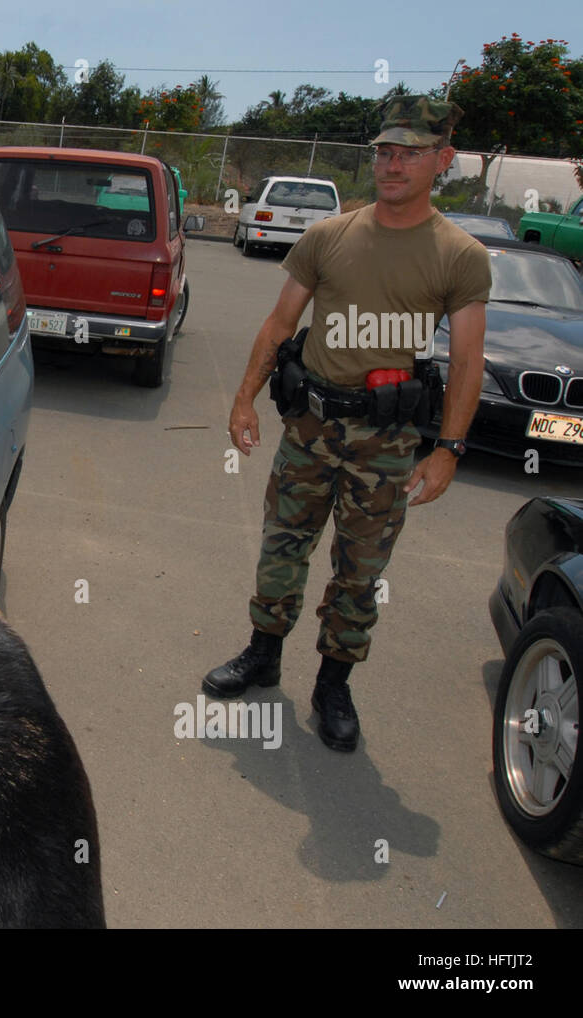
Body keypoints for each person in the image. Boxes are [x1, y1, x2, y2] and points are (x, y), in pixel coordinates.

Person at [204, 96, 492, 751]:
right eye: (385, 151)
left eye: (409, 153)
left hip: (386, 444)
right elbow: (281, 325)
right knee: (282, 547)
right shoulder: (328, 237)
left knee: (359, 573)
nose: (392, 164)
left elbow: (470, 359)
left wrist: (447, 449)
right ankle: (262, 655)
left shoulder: (460, 255)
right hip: (309, 426)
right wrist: (245, 397)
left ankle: (334, 684)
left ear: (442, 160)